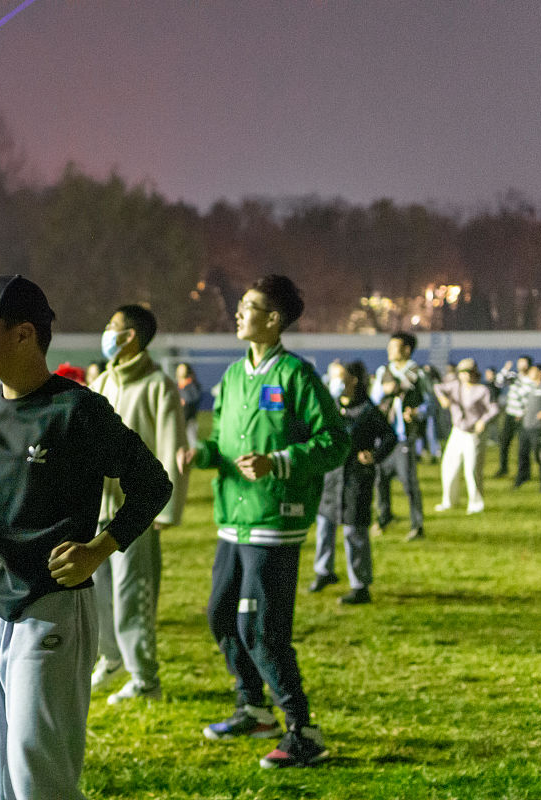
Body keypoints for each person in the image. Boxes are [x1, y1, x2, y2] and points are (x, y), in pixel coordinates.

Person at [0, 274, 172, 800]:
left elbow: (152, 486)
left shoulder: (78, 412)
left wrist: (99, 549)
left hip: (51, 603)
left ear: (24, 335)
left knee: (34, 763)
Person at [187, 274, 349, 769]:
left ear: (274, 319)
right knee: (221, 616)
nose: (238, 314)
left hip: (275, 518)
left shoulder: (298, 376)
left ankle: (304, 731)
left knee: (260, 627)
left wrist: (278, 461)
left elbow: (335, 442)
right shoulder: (234, 377)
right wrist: (202, 453)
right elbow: (228, 446)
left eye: (249, 307)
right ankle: (253, 710)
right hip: (232, 518)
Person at [88, 304, 188, 704]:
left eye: (112, 327)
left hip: (136, 510)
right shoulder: (104, 382)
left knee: (134, 593)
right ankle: (111, 658)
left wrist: (165, 510)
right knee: (98, 591)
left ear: (130, 336)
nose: (106, 333)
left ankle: (145, 678)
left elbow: (172, 445)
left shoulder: (157, 384)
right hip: (99, 509)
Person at [309, 361, 396, 605]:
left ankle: (360, 585)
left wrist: (374, 456)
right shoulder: (332, 407)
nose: (335, 382)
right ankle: (323, 571)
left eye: (340, 377)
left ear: (353, 380)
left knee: (353, 529)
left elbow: (390, 436)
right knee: (324, 524)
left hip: (356, 478)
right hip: (332, 477)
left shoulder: (368, 411)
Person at [371, 332, 430, 541]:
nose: (389, 351)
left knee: (408, 482)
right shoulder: (382, 372)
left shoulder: (417, 373)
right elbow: (374, 399)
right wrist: (383, 392)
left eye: (393, 347)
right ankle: (384, 518)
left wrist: (416, 412)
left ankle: (417, 526)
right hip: (384, 436)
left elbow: (428, 403)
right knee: (380, 479)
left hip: (404, 437)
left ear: (406, 349)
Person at [432, 358, 499, 514]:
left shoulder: (482, 390)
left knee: (472, 469)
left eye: (469, 372)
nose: (466, 375)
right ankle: (448, 501)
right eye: (463, 372)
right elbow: (437, 387)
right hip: (457, 431)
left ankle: (476, 504)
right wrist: (443, 398)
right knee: (449, 466)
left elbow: (494, 409)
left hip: (473, 433)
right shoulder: (455, 386)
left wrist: (483, 421)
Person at [513, 363, 541, 492]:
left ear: (540, 373)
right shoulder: (529, 387)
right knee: (522, 454)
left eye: (532, 371)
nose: (530, 373)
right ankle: (522, 478)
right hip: (526, 427)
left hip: (538, 428)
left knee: (540, 456)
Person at [493, 356, 533, 477]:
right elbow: (498, 383)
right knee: (504, 441)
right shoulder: (514, 376)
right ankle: (503, 468)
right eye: (520, 362)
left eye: (523, 363)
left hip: (522, 416)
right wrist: (505, 370)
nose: (520, 365)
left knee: (523, 445)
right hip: (510, 413)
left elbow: (528, 398)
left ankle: (524, 472)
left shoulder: (531, 379)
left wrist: (522, 413)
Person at [176, 362, 205, 448]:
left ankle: (196, 453)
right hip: (181, 416)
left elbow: (194, 398)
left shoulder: (191, 385)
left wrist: (185, 400)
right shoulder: (180, 385)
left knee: (192, 439)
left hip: (189, 416)